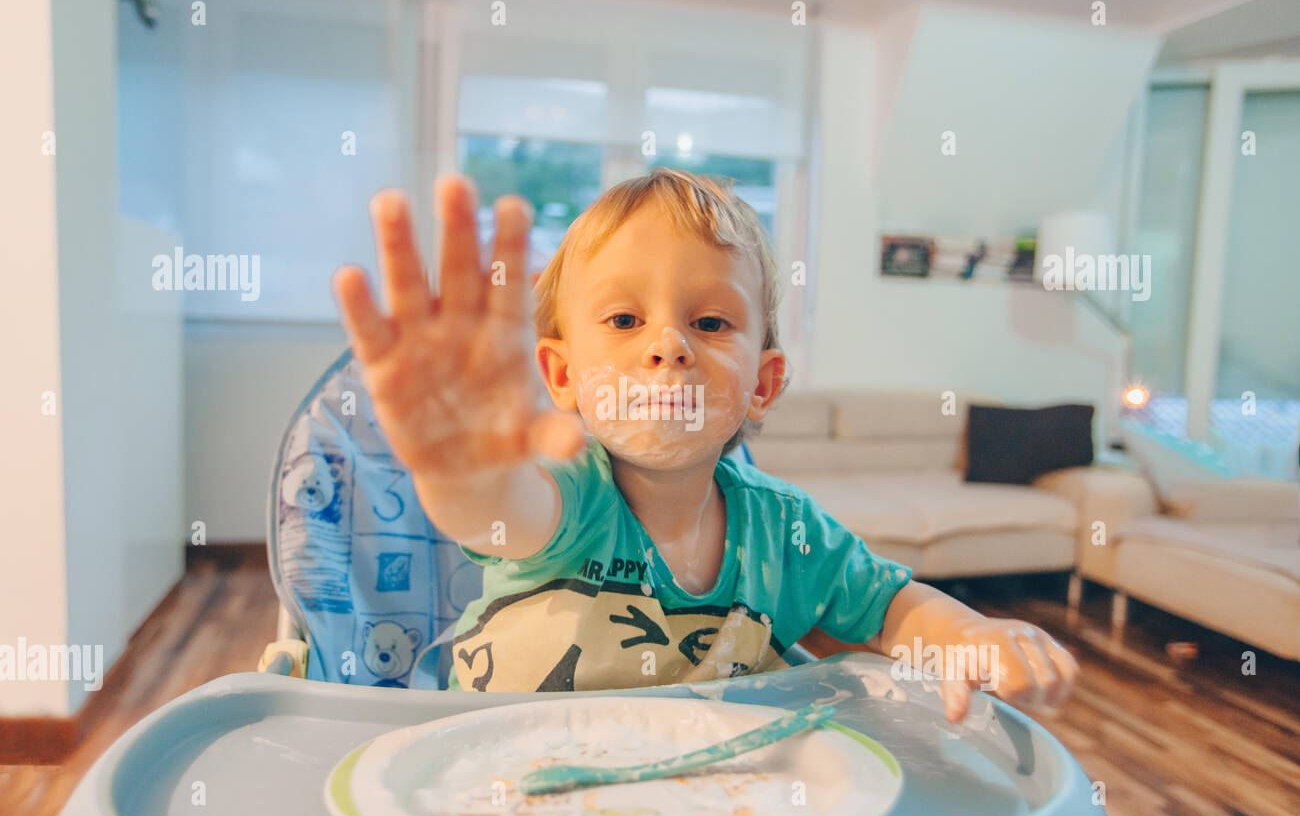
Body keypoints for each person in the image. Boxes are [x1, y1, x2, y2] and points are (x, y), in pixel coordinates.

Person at [332, 168, 1078, 723]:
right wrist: (455, 461)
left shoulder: (783, 529)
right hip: (509, 797)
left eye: (712, 323)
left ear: (762, 383)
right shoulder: (570, 493)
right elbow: (493, 504)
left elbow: (890, 608)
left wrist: (968, 634)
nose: (667, 345)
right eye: (623, 320)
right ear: (562, 372)